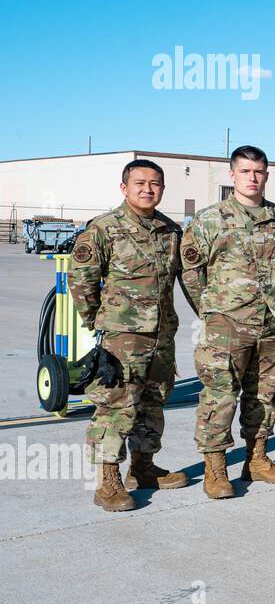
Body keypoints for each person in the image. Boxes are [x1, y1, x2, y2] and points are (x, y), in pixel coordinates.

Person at [69, 159, 187, 511]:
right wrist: (101, 320)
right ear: (124, 188)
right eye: (140, 183)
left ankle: (144, 467)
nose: (147, 189)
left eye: (155, 183)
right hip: (123, 339)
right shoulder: (103, 230)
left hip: (162, 335)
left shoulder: (171, 231)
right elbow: (82, 281)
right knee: (116, 405)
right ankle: (108, 481)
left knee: (153, 402)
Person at [181, 145, 275, 500]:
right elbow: (190, 272)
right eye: (245, 171)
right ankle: (215, 470)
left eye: (258, 171)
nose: (252, 177)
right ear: (232, 175)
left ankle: (256, 460)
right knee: (220, 396)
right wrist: (212, 310)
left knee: (264, 394)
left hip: (271, 322)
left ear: (267, 174)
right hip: (226, 324)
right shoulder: (211, 219)